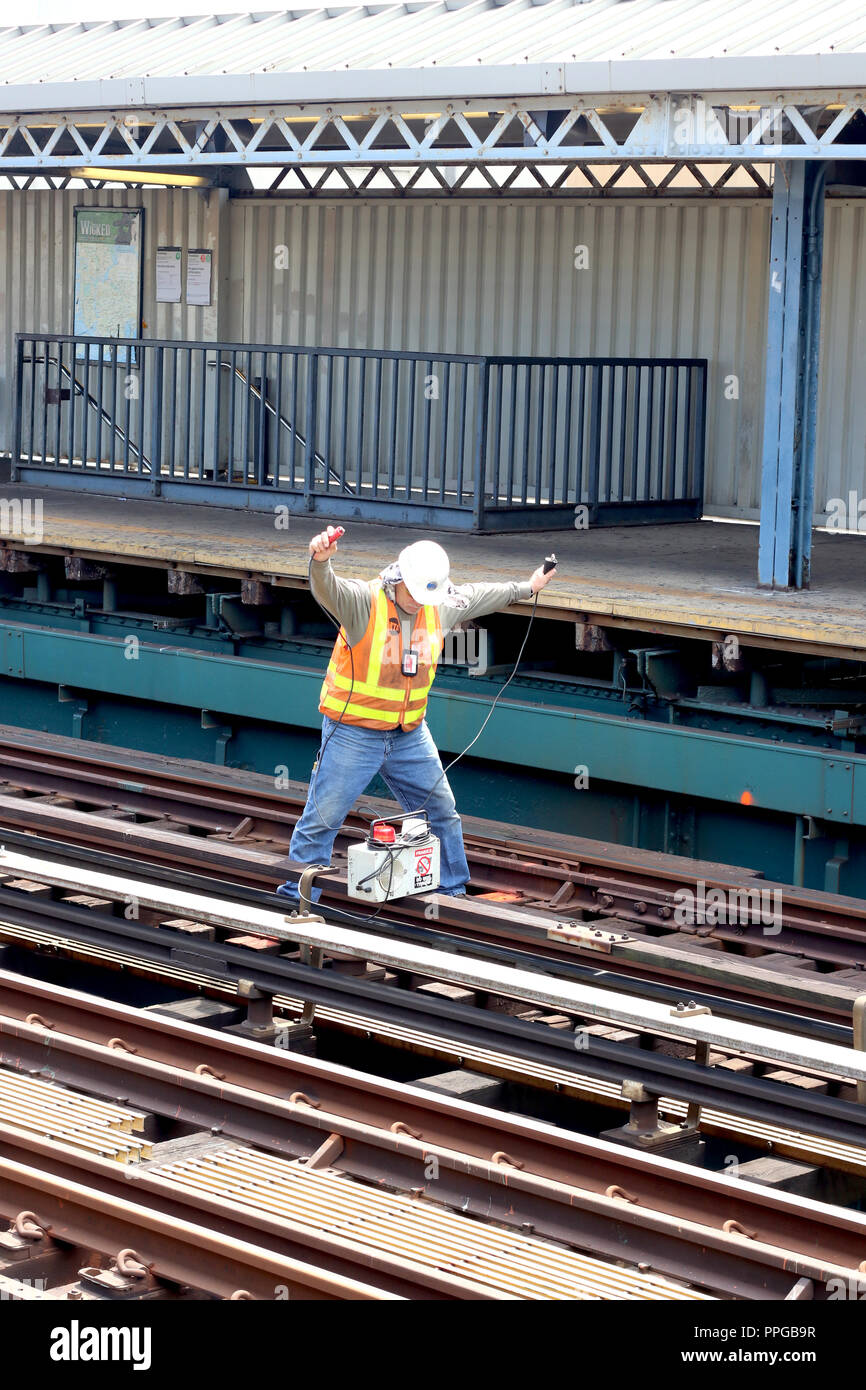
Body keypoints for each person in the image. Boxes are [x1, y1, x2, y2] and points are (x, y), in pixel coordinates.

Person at [276, 525, 557, 903]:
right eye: (413, 593)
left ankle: (451, 890)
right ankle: (298, 894)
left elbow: (482, 595)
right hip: (353, 732)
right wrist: (320, 562)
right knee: (323, 816)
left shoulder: (437, 602)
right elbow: (327, 588)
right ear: (400, 578)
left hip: (408, 732)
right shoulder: (365, 601)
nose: (419, 603)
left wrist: (528, 587)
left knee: (441, 810)